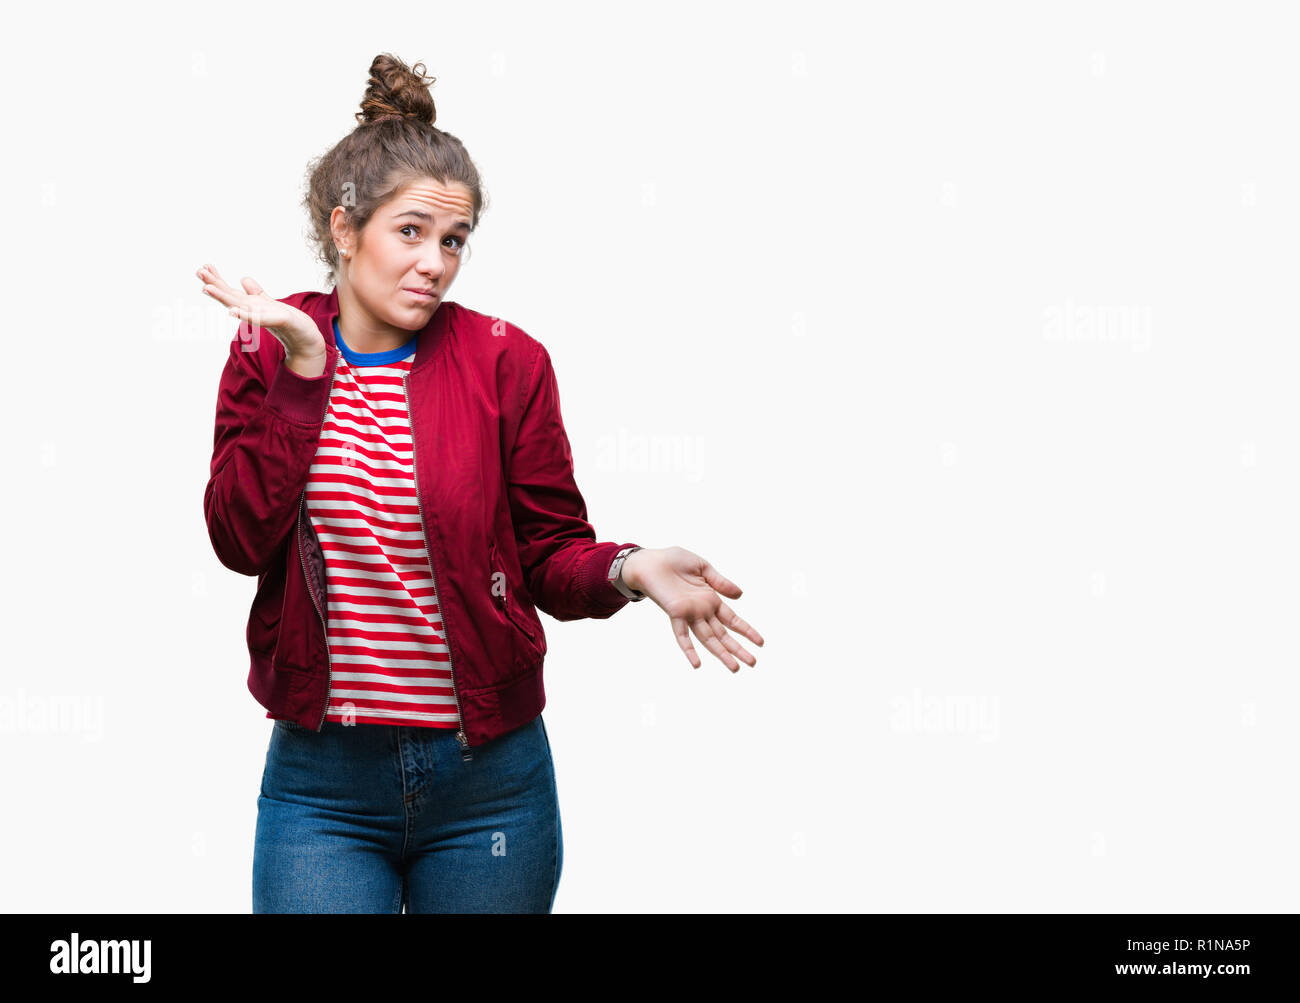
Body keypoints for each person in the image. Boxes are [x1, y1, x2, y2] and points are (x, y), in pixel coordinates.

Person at [199, 52, 763, 914]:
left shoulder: (508, 361)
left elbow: (549, 554)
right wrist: (305, 375)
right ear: (345, 229)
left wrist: (631, 567)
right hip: (322, 788)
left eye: (454, 240)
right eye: (411, 232)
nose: (435, 263)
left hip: (490, 788)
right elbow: (239, 542)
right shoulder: (268, 344)